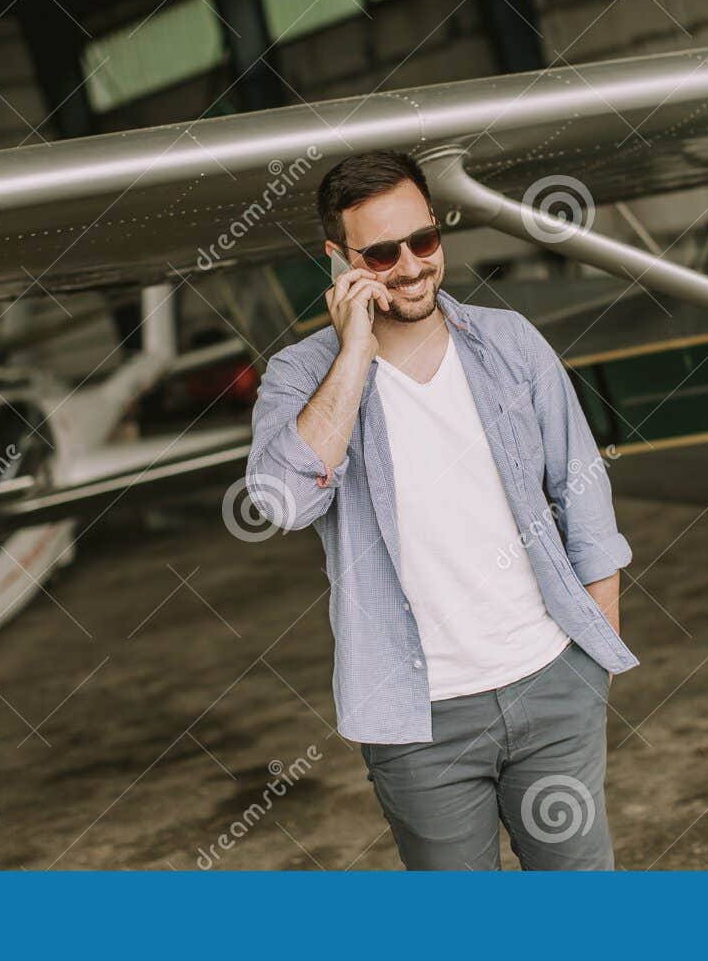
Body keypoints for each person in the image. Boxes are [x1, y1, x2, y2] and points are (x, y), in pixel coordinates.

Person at [246, 150, 637, 869]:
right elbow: (282, 501)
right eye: (383, 253)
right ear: (340, 259)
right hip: (417, 724)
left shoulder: (510, 342)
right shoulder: (301, 375)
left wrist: (592, 664)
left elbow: (585, 499)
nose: (412, 265)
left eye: (423, 240)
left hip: (553, 683)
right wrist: (355, 350)